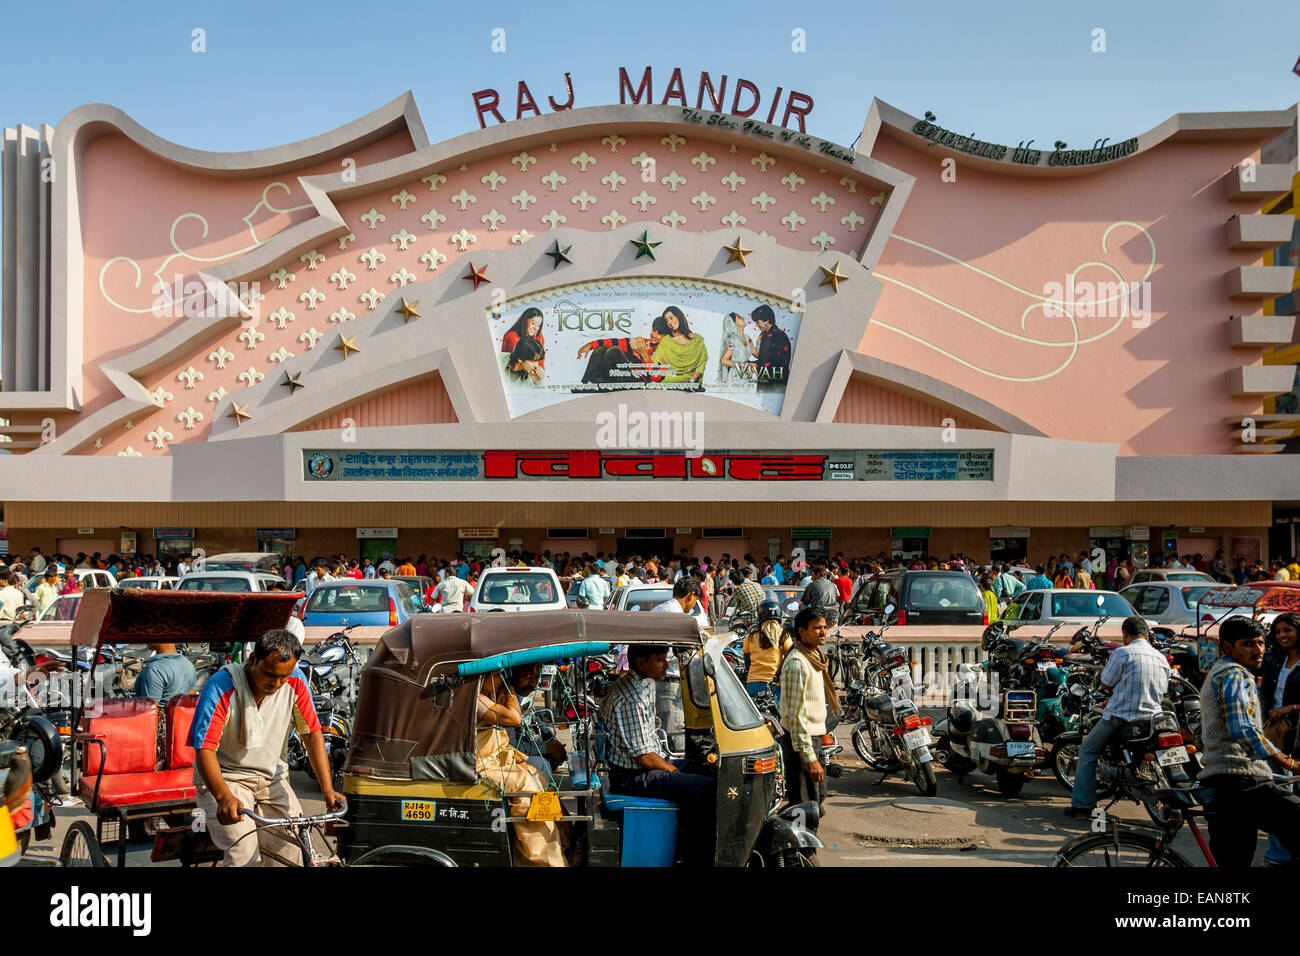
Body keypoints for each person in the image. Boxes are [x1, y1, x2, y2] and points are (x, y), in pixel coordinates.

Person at [190, 628, 343, 866]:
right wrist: (223, 797)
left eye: (284, 676)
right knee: (244, 854)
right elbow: (204, 750)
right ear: (253, 660)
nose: (277, 683)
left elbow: (312, 735)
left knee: (292, 850)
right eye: (270, 674)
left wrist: (327, 789)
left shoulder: (295, 683)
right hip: (225, 778)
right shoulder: (221, 686)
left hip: (272, 777)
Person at [1196, 615, 1300, 867]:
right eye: (1248, 644)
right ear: (1228, 647)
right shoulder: (1234, 675)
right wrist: (1286, 761)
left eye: (1261, 643)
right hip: (1241, 780)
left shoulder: (1219, 673)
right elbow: (1244, 729)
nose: (1258, 650)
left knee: (1234, 859)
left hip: (1222, 782)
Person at [599, 643, 715, 865]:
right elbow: (644, 758)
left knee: (703, 769)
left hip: (641, 767)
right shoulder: (630, 698)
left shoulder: (639, 685)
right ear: (642, 663)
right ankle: (696, 857)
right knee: (705, 788)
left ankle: (686, 839)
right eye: (661, 660)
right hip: (631, 777)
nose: (667, 665)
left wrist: (676, 768)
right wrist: (672, 769)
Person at [1065, 617, 1171, 818]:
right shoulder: (1160, 657)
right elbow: (1161, 690)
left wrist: (1111, 696)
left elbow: (1105, 684)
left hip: (1122, 717)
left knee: (1088, 750)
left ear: (1125, 634)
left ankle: (1082, 804)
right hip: (1154, 718)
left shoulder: (1122, 653)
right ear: (1146, 634)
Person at [475, 669, 566, 866]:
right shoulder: (477, 699)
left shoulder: (489, 696)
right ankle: (543, 858)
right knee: (525, 785)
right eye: (497, 677)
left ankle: (559, 843)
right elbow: (513, 718)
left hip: (495, 758)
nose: (500, 681)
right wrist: (510, 692)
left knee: (537, 774)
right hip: (480, 764)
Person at [778, 608, 838, 826]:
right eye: (816, 628)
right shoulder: (797, 664)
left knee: (816, 798)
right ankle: (801, 853)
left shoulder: (814, 657)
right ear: (802, 632)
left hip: (813, 738)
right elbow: (797, 717)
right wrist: (809, 757)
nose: (823, 632)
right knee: (805, 804)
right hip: (802, 741)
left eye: (824, 627)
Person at [744, 600, 792, 701]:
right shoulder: (784, 636)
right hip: (774, 684)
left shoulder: (750, 637)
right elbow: (789, 659)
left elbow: (747, 664)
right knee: (778, 715)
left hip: (753, 684)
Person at [717, 311, 753, 385]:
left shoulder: (747, 338)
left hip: (746, 375)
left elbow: (757, 353)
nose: (743, 318)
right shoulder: (733, 340)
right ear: (733, 324)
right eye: (739, 317)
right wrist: (741, 365)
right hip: (735, 377)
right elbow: (724, 360)